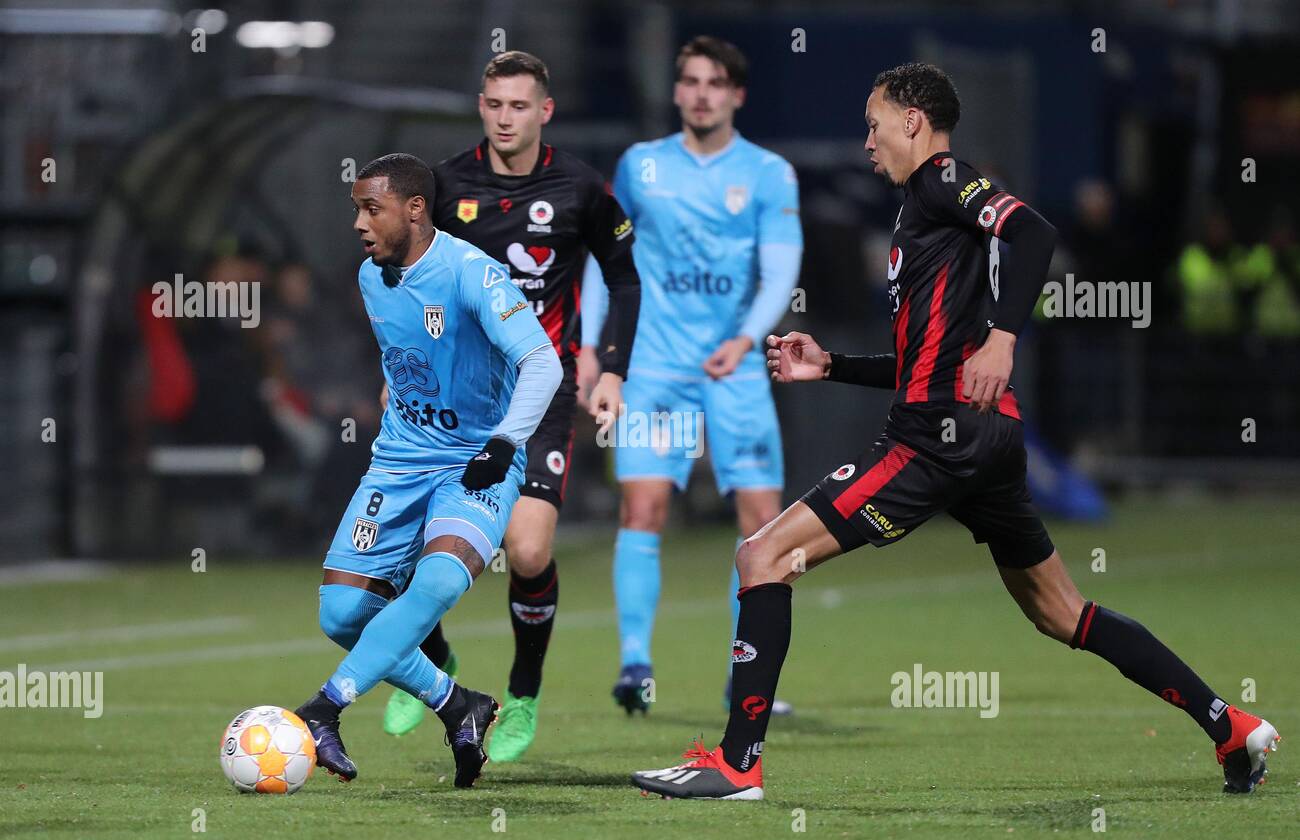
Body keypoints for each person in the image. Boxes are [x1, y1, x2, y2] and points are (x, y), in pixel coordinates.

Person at [631, 63, 1279, 800]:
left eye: (874, 123)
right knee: (1062, 612)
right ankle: (1229, 725)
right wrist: (833, 364)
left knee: (761, 555)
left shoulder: (941, 181)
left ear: (913, 120)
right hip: (984, 436)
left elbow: (1033, 232)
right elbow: (921, 362)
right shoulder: (919, 212)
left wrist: (1004, 340)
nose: (866, 141)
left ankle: (737, 764)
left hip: (934, 439)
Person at [379, 51, 641, 763]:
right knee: (405, 544)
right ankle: (430, 665)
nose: (505, 117)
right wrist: (402, 366)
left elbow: (623, 277)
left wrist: (611, 371)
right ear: (481, 105)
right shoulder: (441, 186)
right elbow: (402, 274)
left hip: (540, 390)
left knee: (526, 549)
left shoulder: (582, 188)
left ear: (544, 112)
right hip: (453, 393)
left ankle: (522, 694)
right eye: (494, 103)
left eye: (519, 105)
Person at [293, 152, 561, 788]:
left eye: (371, 208)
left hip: (474, 465)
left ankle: (325, 710)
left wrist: (503, 443)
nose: (359, 223)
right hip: (398, 463)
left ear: (415, 210)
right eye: (357, 208)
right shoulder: (370, 278)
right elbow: (412, 356)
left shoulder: (472, 272)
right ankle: (459, 704)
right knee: (340, 615)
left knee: (438, 582)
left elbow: (543, 363)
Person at [582, 36, 803, 715]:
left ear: (736, 94)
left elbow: (781, 265)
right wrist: (593, 346)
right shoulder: (641, 167)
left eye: (716, 82)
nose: (702, 93)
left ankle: (748, 679)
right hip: (653, 367)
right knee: (642, 507)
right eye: (691, 81)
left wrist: (745, 338)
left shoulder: (768, 173)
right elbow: (608, 260)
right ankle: (635, 667)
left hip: (732, 370)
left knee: (764, 525)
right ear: (676, 92)